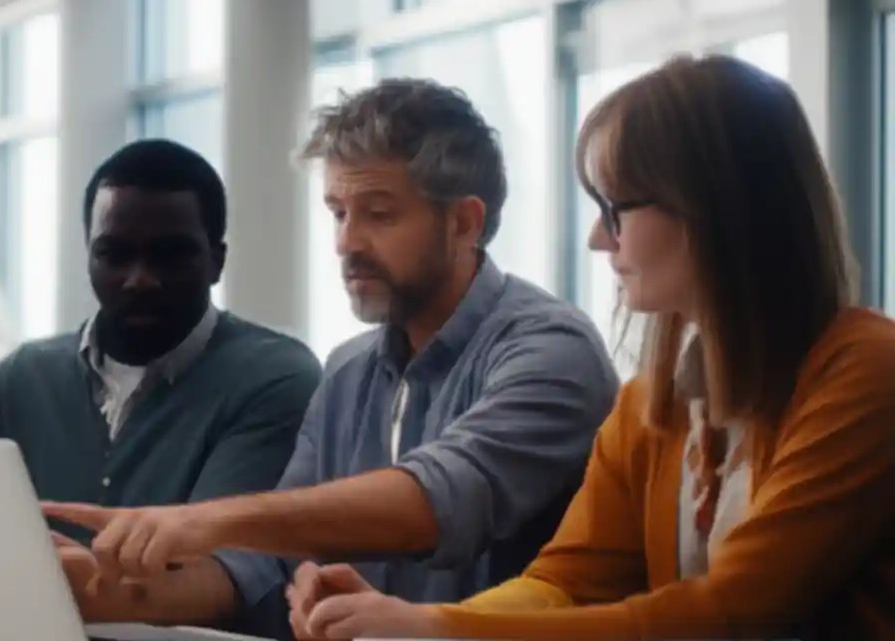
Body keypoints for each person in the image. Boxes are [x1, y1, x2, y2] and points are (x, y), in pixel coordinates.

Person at [289, 56, 895, 640]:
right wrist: (402, 623)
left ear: (711, 208)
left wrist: (437, 627)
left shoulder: (866, 369)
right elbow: (565, 583)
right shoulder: (651, 405)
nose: (598, 237)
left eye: (616, 208)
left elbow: (733, 612)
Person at [43, 79, 619, 636]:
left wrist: (197, 520)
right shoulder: (348, 370)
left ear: (464, 223)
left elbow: (440, 497)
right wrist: (97, 587)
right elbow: (260, 561)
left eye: (379, 213)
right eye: (339, 212)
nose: (347, 242)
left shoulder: (550, 349)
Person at [0, 139, 321, 607]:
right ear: (88, 255)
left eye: (169, 256)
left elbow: (224, 570)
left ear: (217, 260)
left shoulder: (275, 379)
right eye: (113, 255)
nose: (139, 278)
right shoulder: (18, 379)